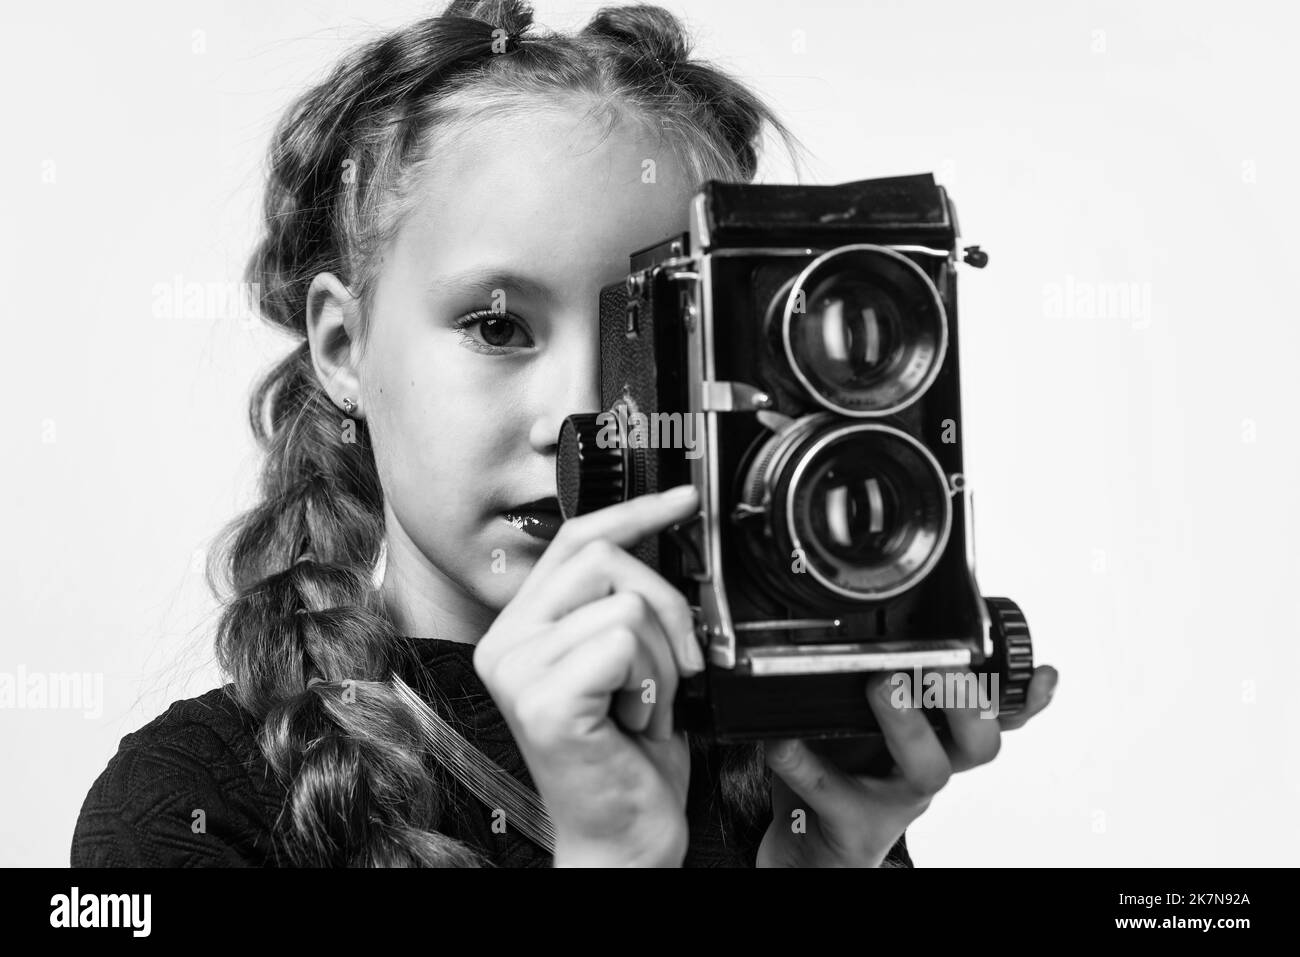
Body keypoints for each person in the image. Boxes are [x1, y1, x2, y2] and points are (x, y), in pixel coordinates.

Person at [70, 0, 1059, 868]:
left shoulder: (775, 773)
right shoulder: (192, 807)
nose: (584, 424)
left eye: (662, 339)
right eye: (498, 329)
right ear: (343, 344)